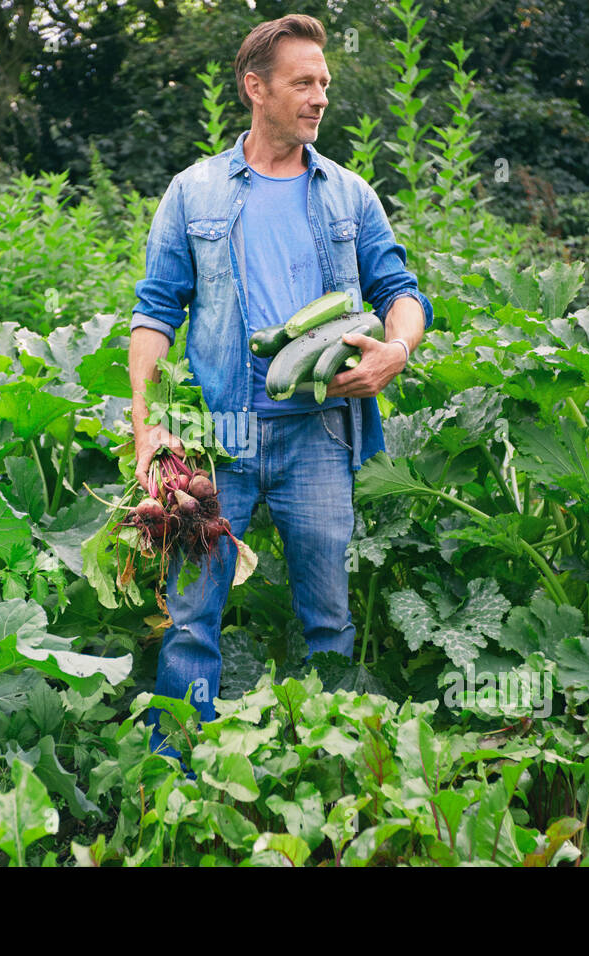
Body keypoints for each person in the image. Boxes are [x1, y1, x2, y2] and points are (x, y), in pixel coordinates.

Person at [127, 14, 433, 763]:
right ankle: (172, 776)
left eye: (325, 82)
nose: (321, 96)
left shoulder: (349, 196)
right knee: (194, 618)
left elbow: (403, 291)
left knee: (327, 617)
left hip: (319, 435)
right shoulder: (194, 192)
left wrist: (396, 349)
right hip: (215, 441)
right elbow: (154, 313)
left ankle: (331, 772)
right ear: (255, 87)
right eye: (304, 82)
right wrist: (145, 429)